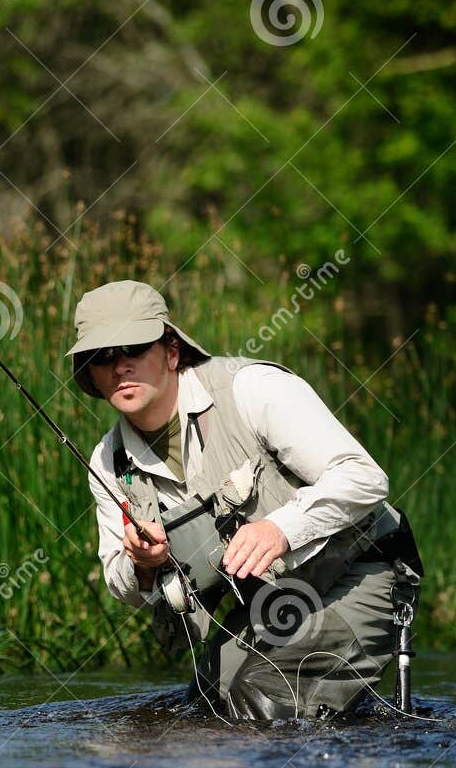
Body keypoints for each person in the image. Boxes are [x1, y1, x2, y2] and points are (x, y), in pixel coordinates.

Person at [68, 280, 422, 720]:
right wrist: (142, 563)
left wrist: (280, 529)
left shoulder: (251, 389)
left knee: (262, 703)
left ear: (172, 351)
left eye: (133, 348)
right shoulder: (108, 463)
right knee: (199, 710)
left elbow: (364, 478)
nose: (119, 366)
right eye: (102, 357)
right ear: (90, 373)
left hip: (364, 569)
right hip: (272, 600)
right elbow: (120, 584)